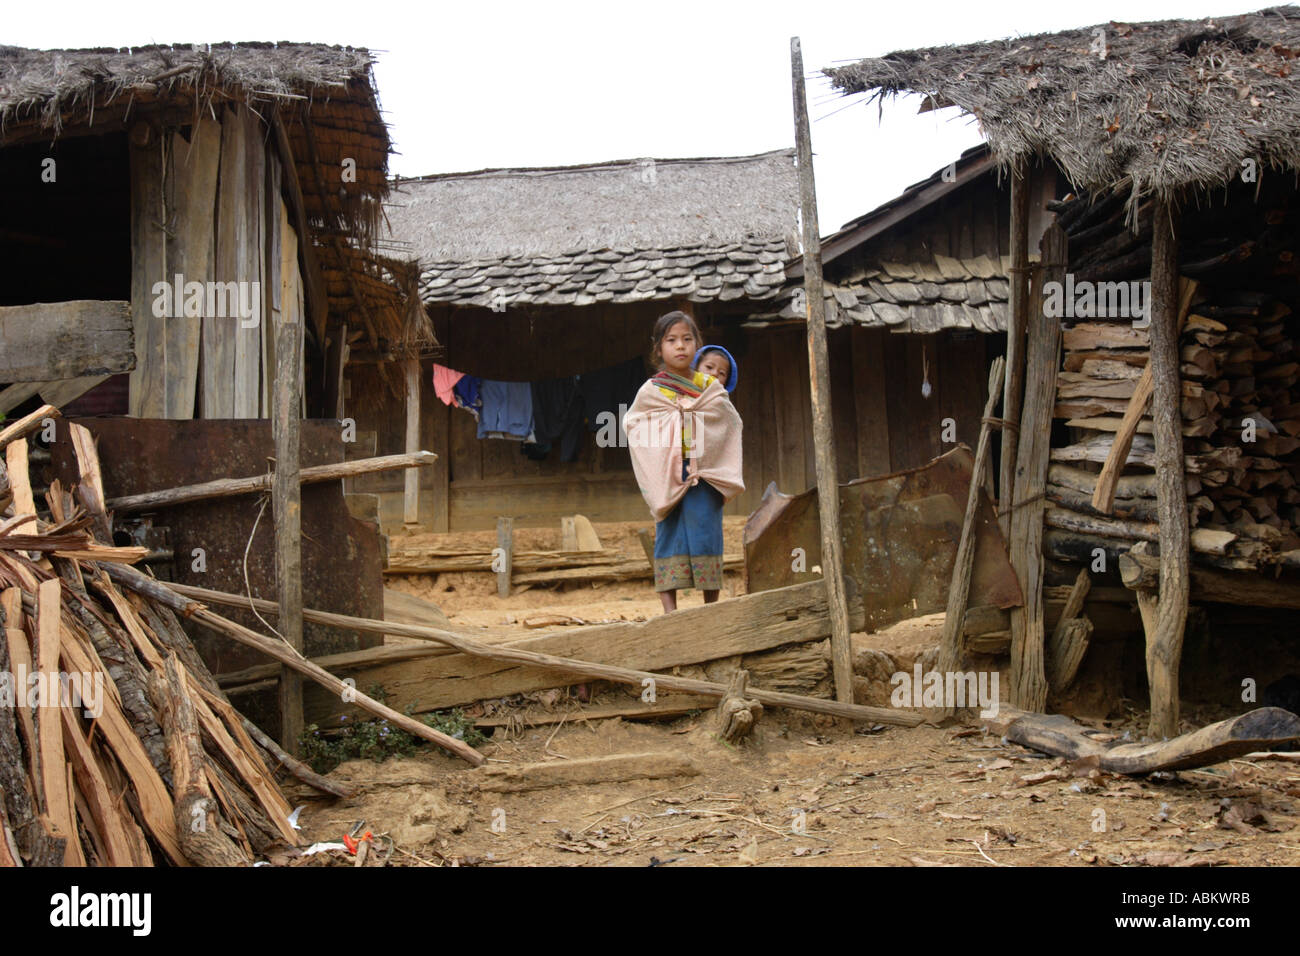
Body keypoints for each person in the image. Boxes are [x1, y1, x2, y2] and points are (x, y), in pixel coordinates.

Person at [624, 312, 744, 614]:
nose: (681, 346)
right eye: (672, 340)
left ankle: (710, 609)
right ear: (659, 349)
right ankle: (670, 612)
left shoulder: (710, 388)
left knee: (707, 535)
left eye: (688, 339)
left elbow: (729, 424)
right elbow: (635, 425)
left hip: (705, 478)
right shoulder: (653, 390)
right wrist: (674, 425)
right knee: (669, 536)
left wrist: (698, 432)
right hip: (669, 478)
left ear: (697, 344)